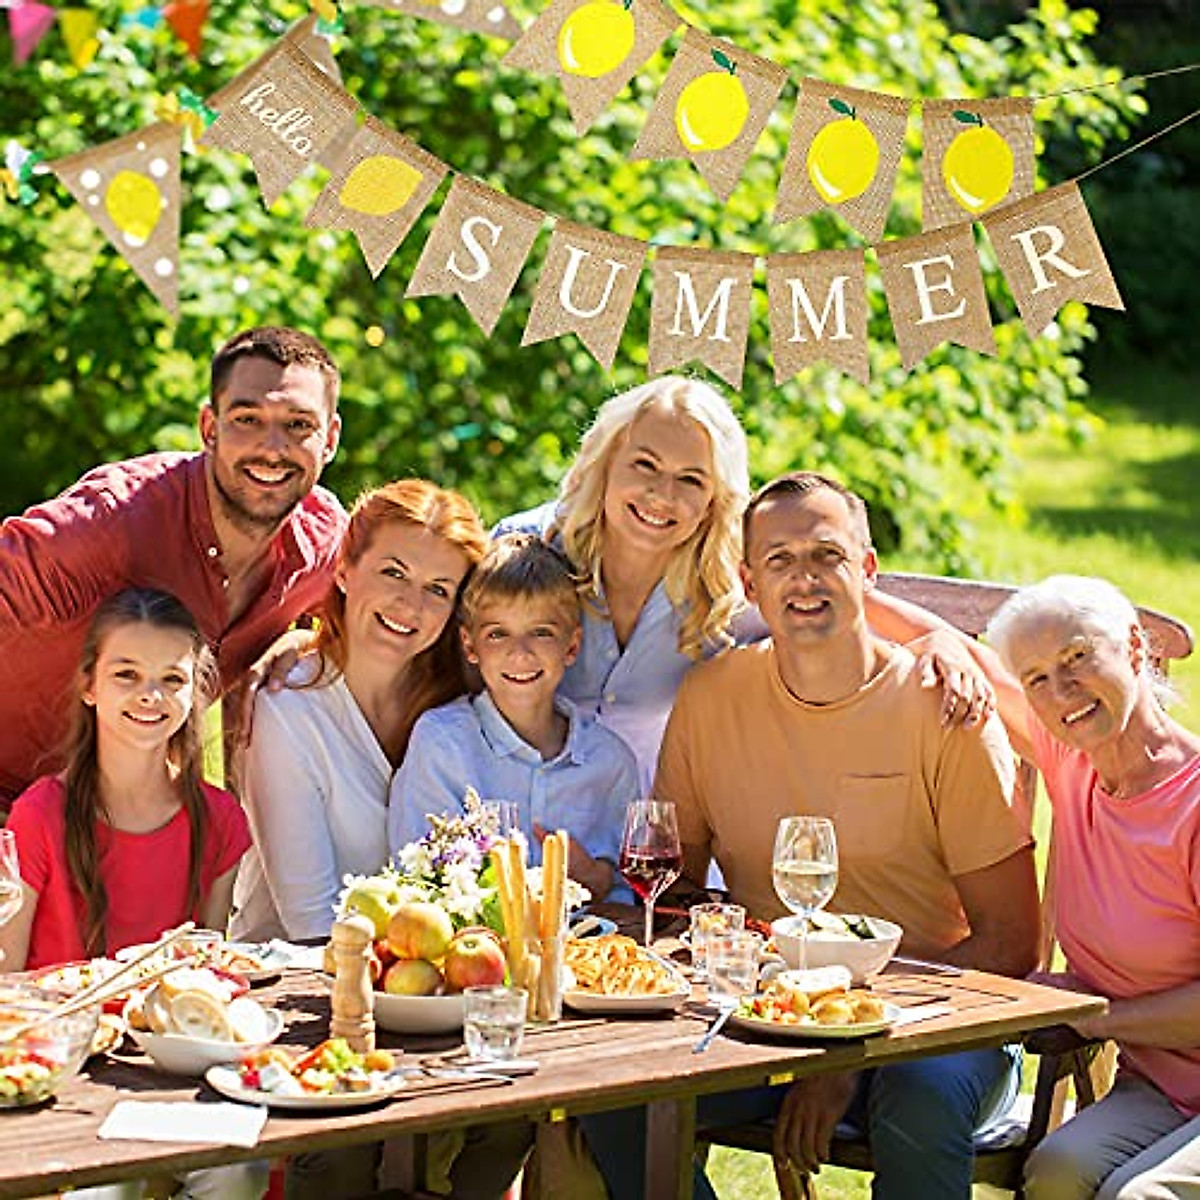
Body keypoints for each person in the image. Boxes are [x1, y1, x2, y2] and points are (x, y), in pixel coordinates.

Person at [583, 471, 1040, 1200]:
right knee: (616, 1099)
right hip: (768, 1014)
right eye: (779, 561)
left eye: (826, 556)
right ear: (748, 584)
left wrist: (850, 1048)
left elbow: (1013, 942)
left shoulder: (944, 709)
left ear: (866, 570)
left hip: (937, 1026)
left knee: (918, 1101)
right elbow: (682, 893)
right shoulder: (710, 698)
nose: (804, 579)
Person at [0, 326, 347, 811]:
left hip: (106, 823)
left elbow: (400, 618)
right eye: (247, 418)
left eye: (298, 425)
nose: (272, 448)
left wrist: (298, 640)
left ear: (329, 437)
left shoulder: (325, 544)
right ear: (209, 428)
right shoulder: (111, 522)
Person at [0, 587, 262, 1200]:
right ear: (89, 684)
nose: (151, 696)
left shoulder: (220, 820)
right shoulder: (42, 814)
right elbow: (9, 977)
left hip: (172, 1070)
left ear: (195, 691)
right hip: (68, 1070)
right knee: (101, 1194)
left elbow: (207, 973)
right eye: (127, 674)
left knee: (238, 1171)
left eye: (171, 678)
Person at [977, 576, 1198, 1199]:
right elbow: (954, 650)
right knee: (1056, 1171)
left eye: (1077, 657)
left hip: (1154, 1069)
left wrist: (1091, 1020)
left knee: (1137, 1197)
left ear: (1134, 647)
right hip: (1161, 1088)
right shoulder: (1073, 758)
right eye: (1038, 678)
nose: (1061, 690)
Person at [231, 479, 487, 944]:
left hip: (431, 984)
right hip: (294, 985)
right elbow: (310, 920)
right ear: (344, 570)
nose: (411, 604)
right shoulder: (286, 706)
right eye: (393, 573)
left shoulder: (461, 707)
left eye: (438, 589)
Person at [494, 375, 751, 788]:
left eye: (690, 480)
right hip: (517, 821)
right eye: (645, 465)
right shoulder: (523, 548)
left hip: (652, 838)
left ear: (713, 500)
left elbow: (840, 633)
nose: (662, 495)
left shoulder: (729, 591)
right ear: (607, 461)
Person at [390, 532, 639, 901]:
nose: (519, 653)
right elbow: (415, 878)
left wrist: (597, 880)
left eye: (541, 633)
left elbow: (630, 894)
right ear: (470, 645)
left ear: (571, 646)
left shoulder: (611, 762)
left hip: (586, 952)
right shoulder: (443, 744)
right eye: (497, 634)